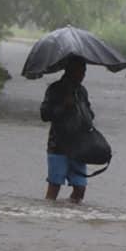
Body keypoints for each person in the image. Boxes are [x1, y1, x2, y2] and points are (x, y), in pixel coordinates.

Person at [40, 56, 93, 204]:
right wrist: (64, 106)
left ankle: (68, 215)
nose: (83, 75)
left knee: (80, 189)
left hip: (78, 146)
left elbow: (90, 113)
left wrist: (85, 113)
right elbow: (45, 114)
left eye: (84, 71)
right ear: (69, 71)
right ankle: (49, 215)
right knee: (54, 186)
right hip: (57, 145)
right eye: (80, 71)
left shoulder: (82, 91)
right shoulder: (55, 89)